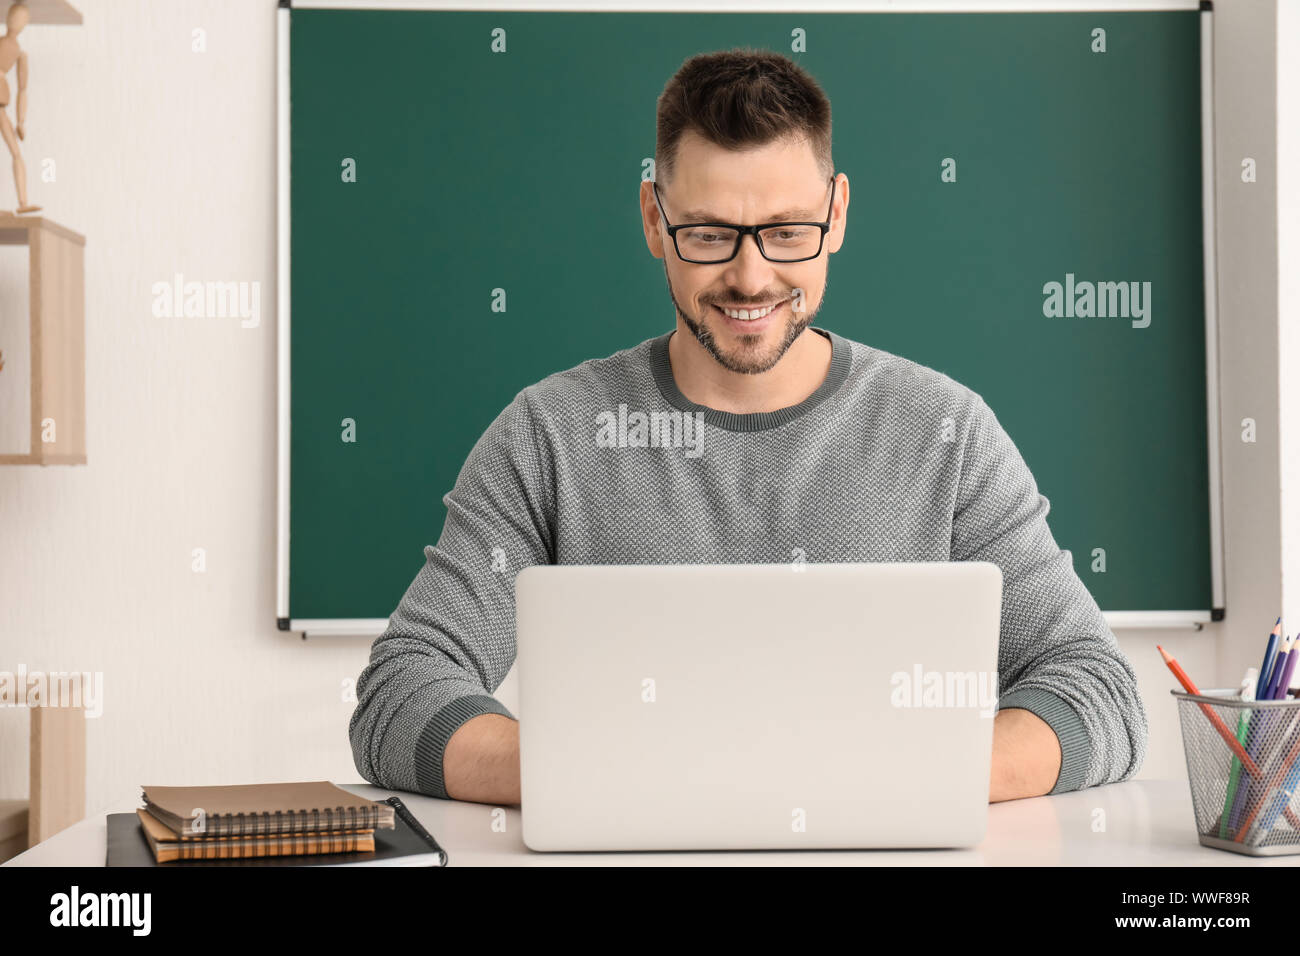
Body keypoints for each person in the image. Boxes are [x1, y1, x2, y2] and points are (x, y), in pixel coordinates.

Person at [348, 48, 1147, 807]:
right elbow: (402, 692)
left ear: (837, 214)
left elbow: (1097, 690)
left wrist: (894, 773)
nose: (751, 276)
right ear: (654, 221)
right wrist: (613, 775)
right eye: (708, 235)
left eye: (787, 232)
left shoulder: (945, 433)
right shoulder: (551, 436)